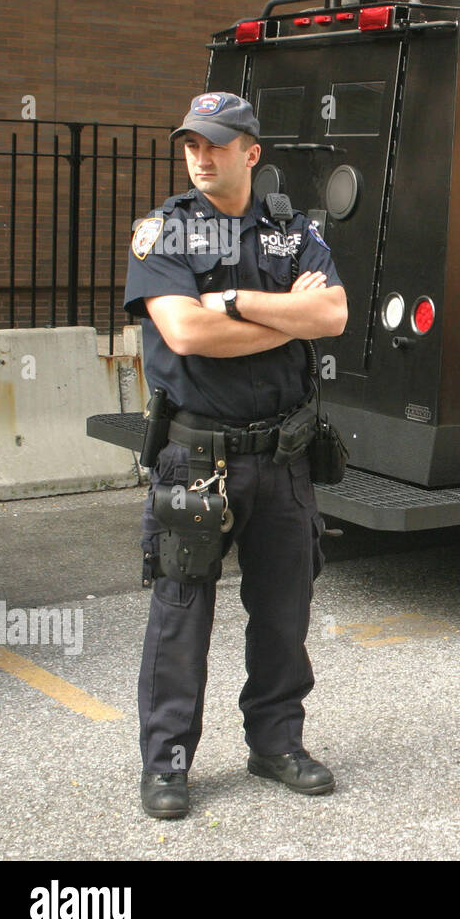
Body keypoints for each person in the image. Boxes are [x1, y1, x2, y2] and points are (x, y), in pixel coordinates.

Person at [123, 92, 347, 819]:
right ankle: (167, 765)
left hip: (282, 454)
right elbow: (184, 333)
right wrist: (284, 318)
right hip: (196, 456)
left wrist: (233, 305)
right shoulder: (165, 233)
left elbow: (335, 313)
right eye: (192, 141)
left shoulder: (291, 231)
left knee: (284, 611)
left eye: (217, 143)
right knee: (181, 615)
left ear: (252, 152)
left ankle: (276, 743)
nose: (201, 154)